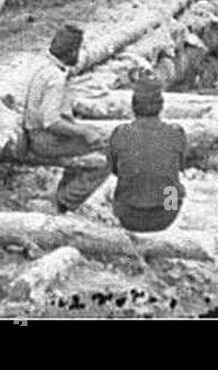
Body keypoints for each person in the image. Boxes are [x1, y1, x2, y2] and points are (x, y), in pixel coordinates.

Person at [20, 25, 110, 213]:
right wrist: (84, 132)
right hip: (45, 140)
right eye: (79, 50)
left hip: (41, 135)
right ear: (72, 52)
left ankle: (63, 195)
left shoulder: (47, 67)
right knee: (107, 158)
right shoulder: (55, 78)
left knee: (95, 140)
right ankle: (63, 203)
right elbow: (51, 121)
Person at [105, 78, 187, 233]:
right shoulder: (176, 132)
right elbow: (180, 167)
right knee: (172, 184)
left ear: (133, 106)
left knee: (110, 189)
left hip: (128, 215)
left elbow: (115, 170)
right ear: (161, 106)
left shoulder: (120, 133)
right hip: (167, 214)